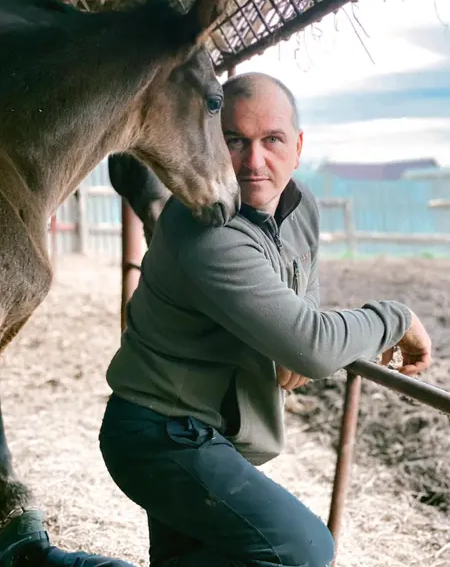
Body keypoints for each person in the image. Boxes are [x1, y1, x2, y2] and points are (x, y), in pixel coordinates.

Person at [1, 72, 432, 567]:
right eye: (235, 140)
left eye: (272, 140)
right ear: (210, 143)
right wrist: (394, 318)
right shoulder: (209, 229)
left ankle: (29, 558)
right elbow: (312, 348)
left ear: (298, 146)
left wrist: (297, 330)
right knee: (304, 549)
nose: (254, 161)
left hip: (213, 434)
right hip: (161, 434)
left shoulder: (302, 205)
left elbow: (305, 295)